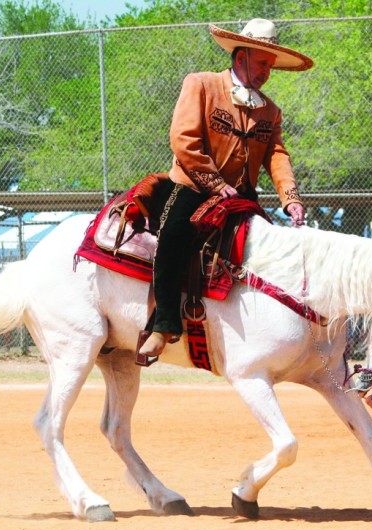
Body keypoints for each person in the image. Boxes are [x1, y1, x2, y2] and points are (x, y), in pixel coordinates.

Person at [138, 18, 314, 357]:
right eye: (262, 62)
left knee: (270, 252)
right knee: (173, 236)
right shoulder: (201, 85)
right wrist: (215, 183)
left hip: (243, 197)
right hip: (194, 185)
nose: (266, 72)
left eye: (271, 66)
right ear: (241, 55)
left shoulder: (270, 111)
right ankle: (164, 325)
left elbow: (277, 155)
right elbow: (183, 140)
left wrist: (290, 198)